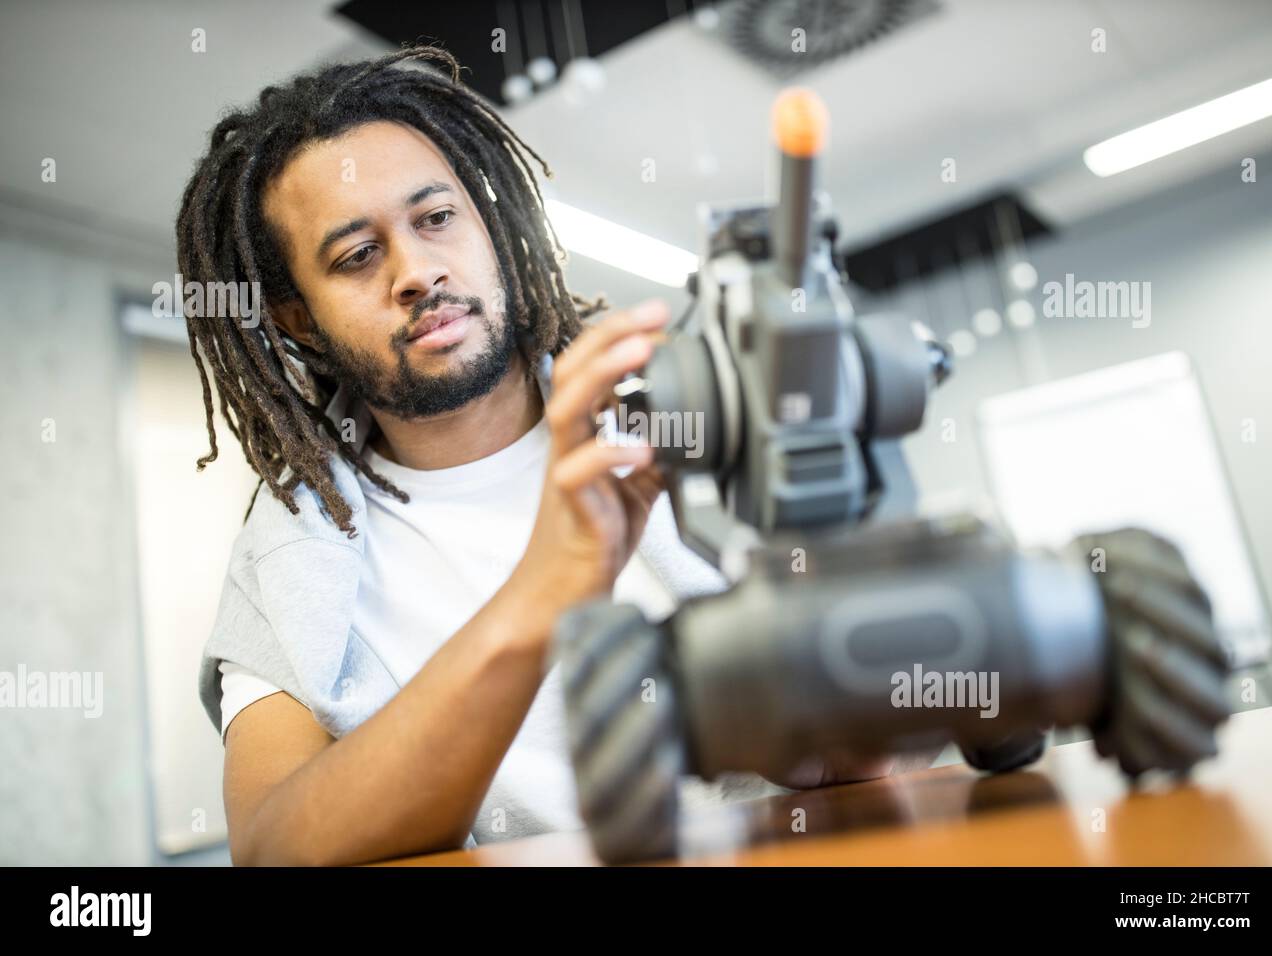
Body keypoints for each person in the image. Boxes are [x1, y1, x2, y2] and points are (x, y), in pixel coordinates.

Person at [177, 45, 896, 867]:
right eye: (357, 256)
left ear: (489, 225)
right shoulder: (286, 560)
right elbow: (275, 850)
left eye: (436, 217)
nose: (416, 271)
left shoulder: (681, 419)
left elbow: (865, 766)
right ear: (300, 321)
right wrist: (544, 588)